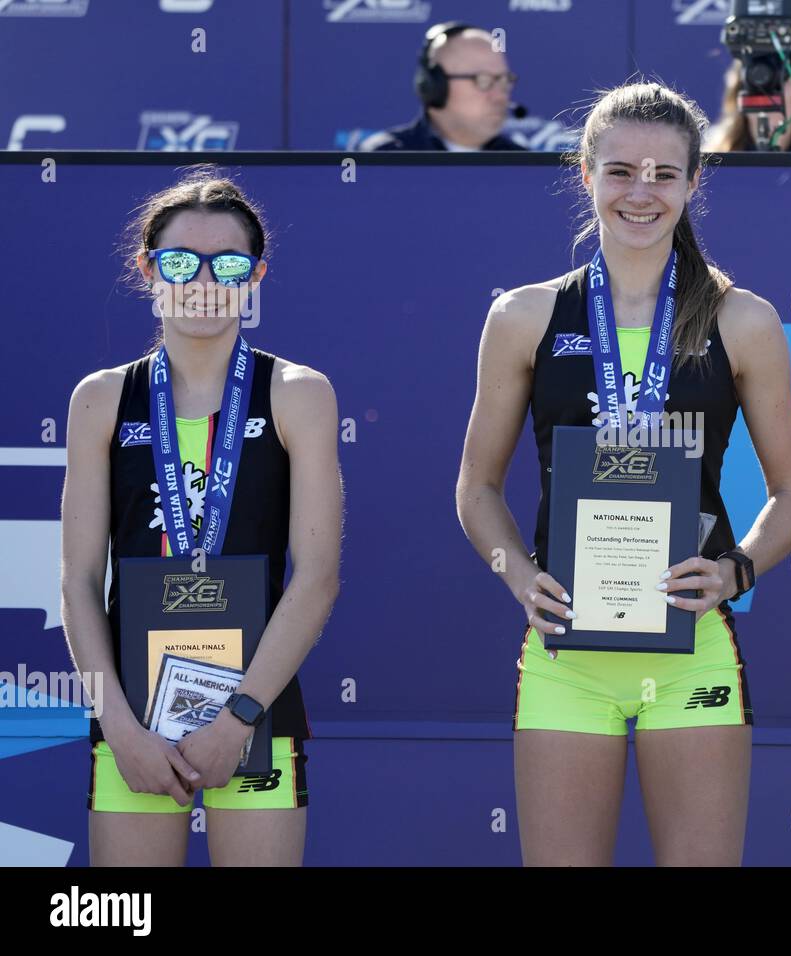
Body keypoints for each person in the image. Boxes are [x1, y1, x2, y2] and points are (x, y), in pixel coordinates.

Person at [456, 82, 791, 866]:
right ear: (585, 174)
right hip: (565, 657)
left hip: (693, 651)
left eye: (663, 173)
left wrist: (735, 572)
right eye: (620, 171)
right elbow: (476, 489)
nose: (641, 192)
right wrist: (519, 576)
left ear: (693, 183)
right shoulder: (524, 316)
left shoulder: (741, 320)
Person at [60, 168, 342, 866]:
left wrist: (236, 718)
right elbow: (77, 584)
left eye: (230, 263)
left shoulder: (298, 393)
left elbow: (317, 578)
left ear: (257, 276)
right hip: (132, 726)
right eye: (181, 261)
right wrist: (118, 728)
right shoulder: (100, 400)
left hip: (257, 718)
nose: (204, 279)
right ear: (148, 269)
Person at [362, 21, 527, 153]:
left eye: (504, 81)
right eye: (483, 80)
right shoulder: (384, 159)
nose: (500, 96)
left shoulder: (525, 167)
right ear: (434, 87)